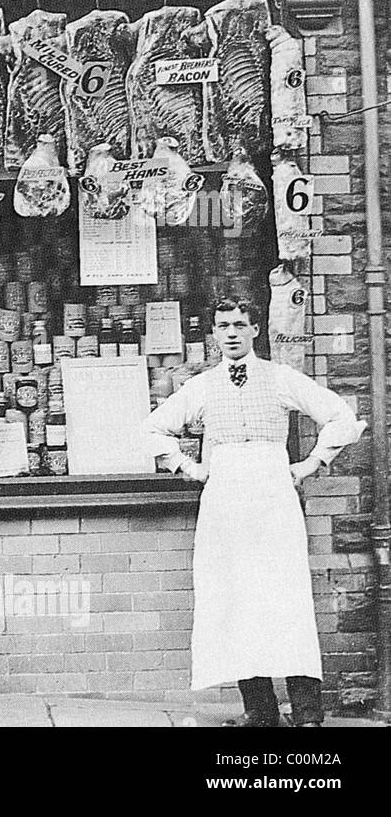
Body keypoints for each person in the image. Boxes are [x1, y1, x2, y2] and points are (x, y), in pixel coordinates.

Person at [143, 298, 365, 727]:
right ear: (213, 332)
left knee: (287, 599)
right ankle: (260, 711)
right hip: (225, 503)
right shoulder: (204, 386)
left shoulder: (280, 378)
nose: (231, 333)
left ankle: (307, 714)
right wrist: (189, 466)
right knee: (235, 600)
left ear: (255, 330)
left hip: (272, 501)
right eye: (223, 325)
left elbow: (341, 416)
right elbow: (153, 427)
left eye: (240, 325)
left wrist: (310, 463)